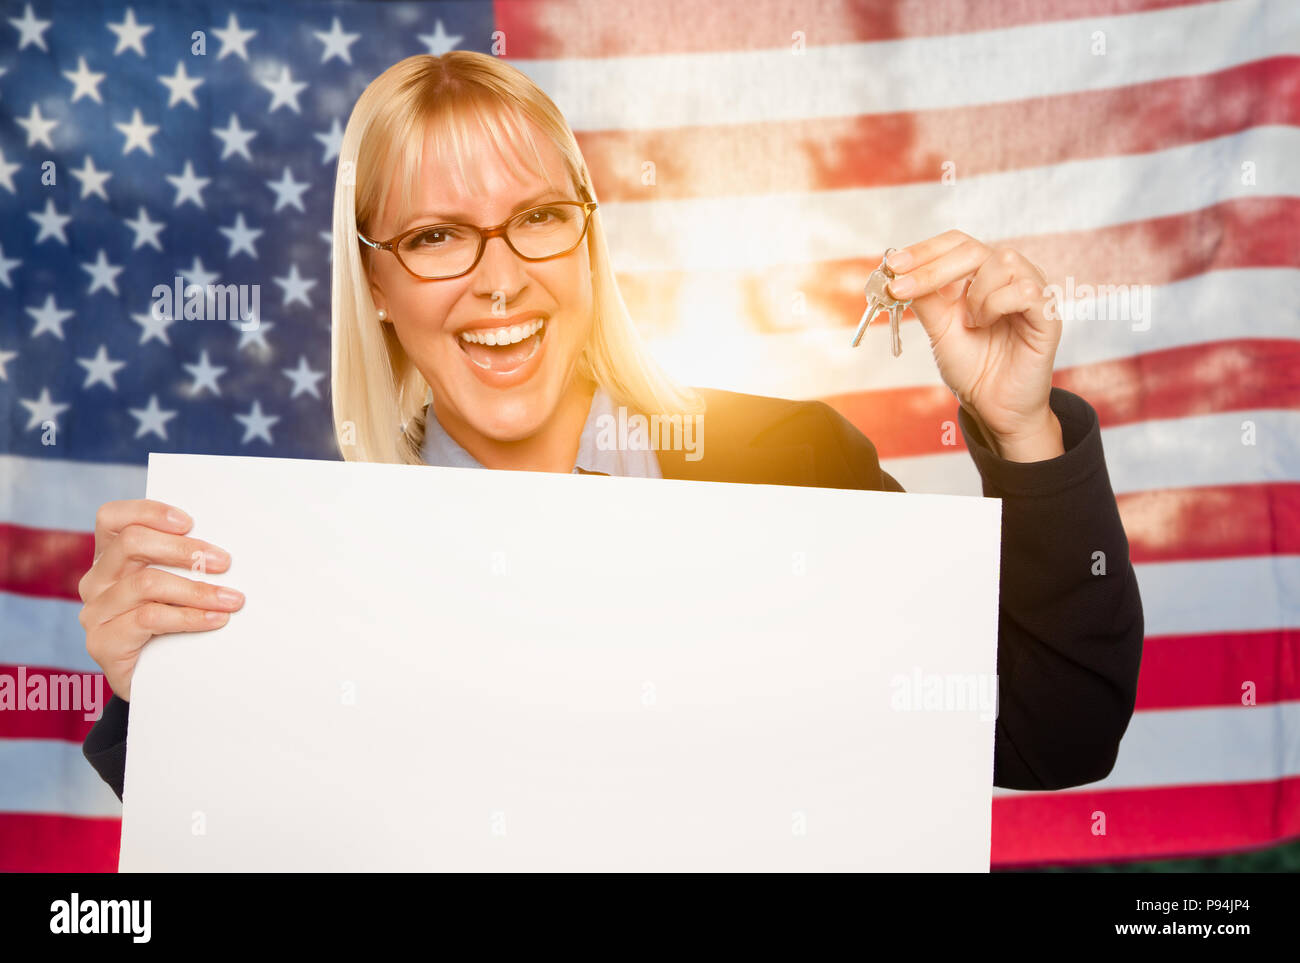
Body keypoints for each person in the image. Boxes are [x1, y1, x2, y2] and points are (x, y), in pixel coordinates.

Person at [81, 52, 1143, 804]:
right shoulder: (299, 558)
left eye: (539, 218)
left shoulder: (789, 469)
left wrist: (1018, 428)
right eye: (438, 235)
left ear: (587, 239)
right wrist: (158, 689)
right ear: (376, 283)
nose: (500, 282)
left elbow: (1060, 730)